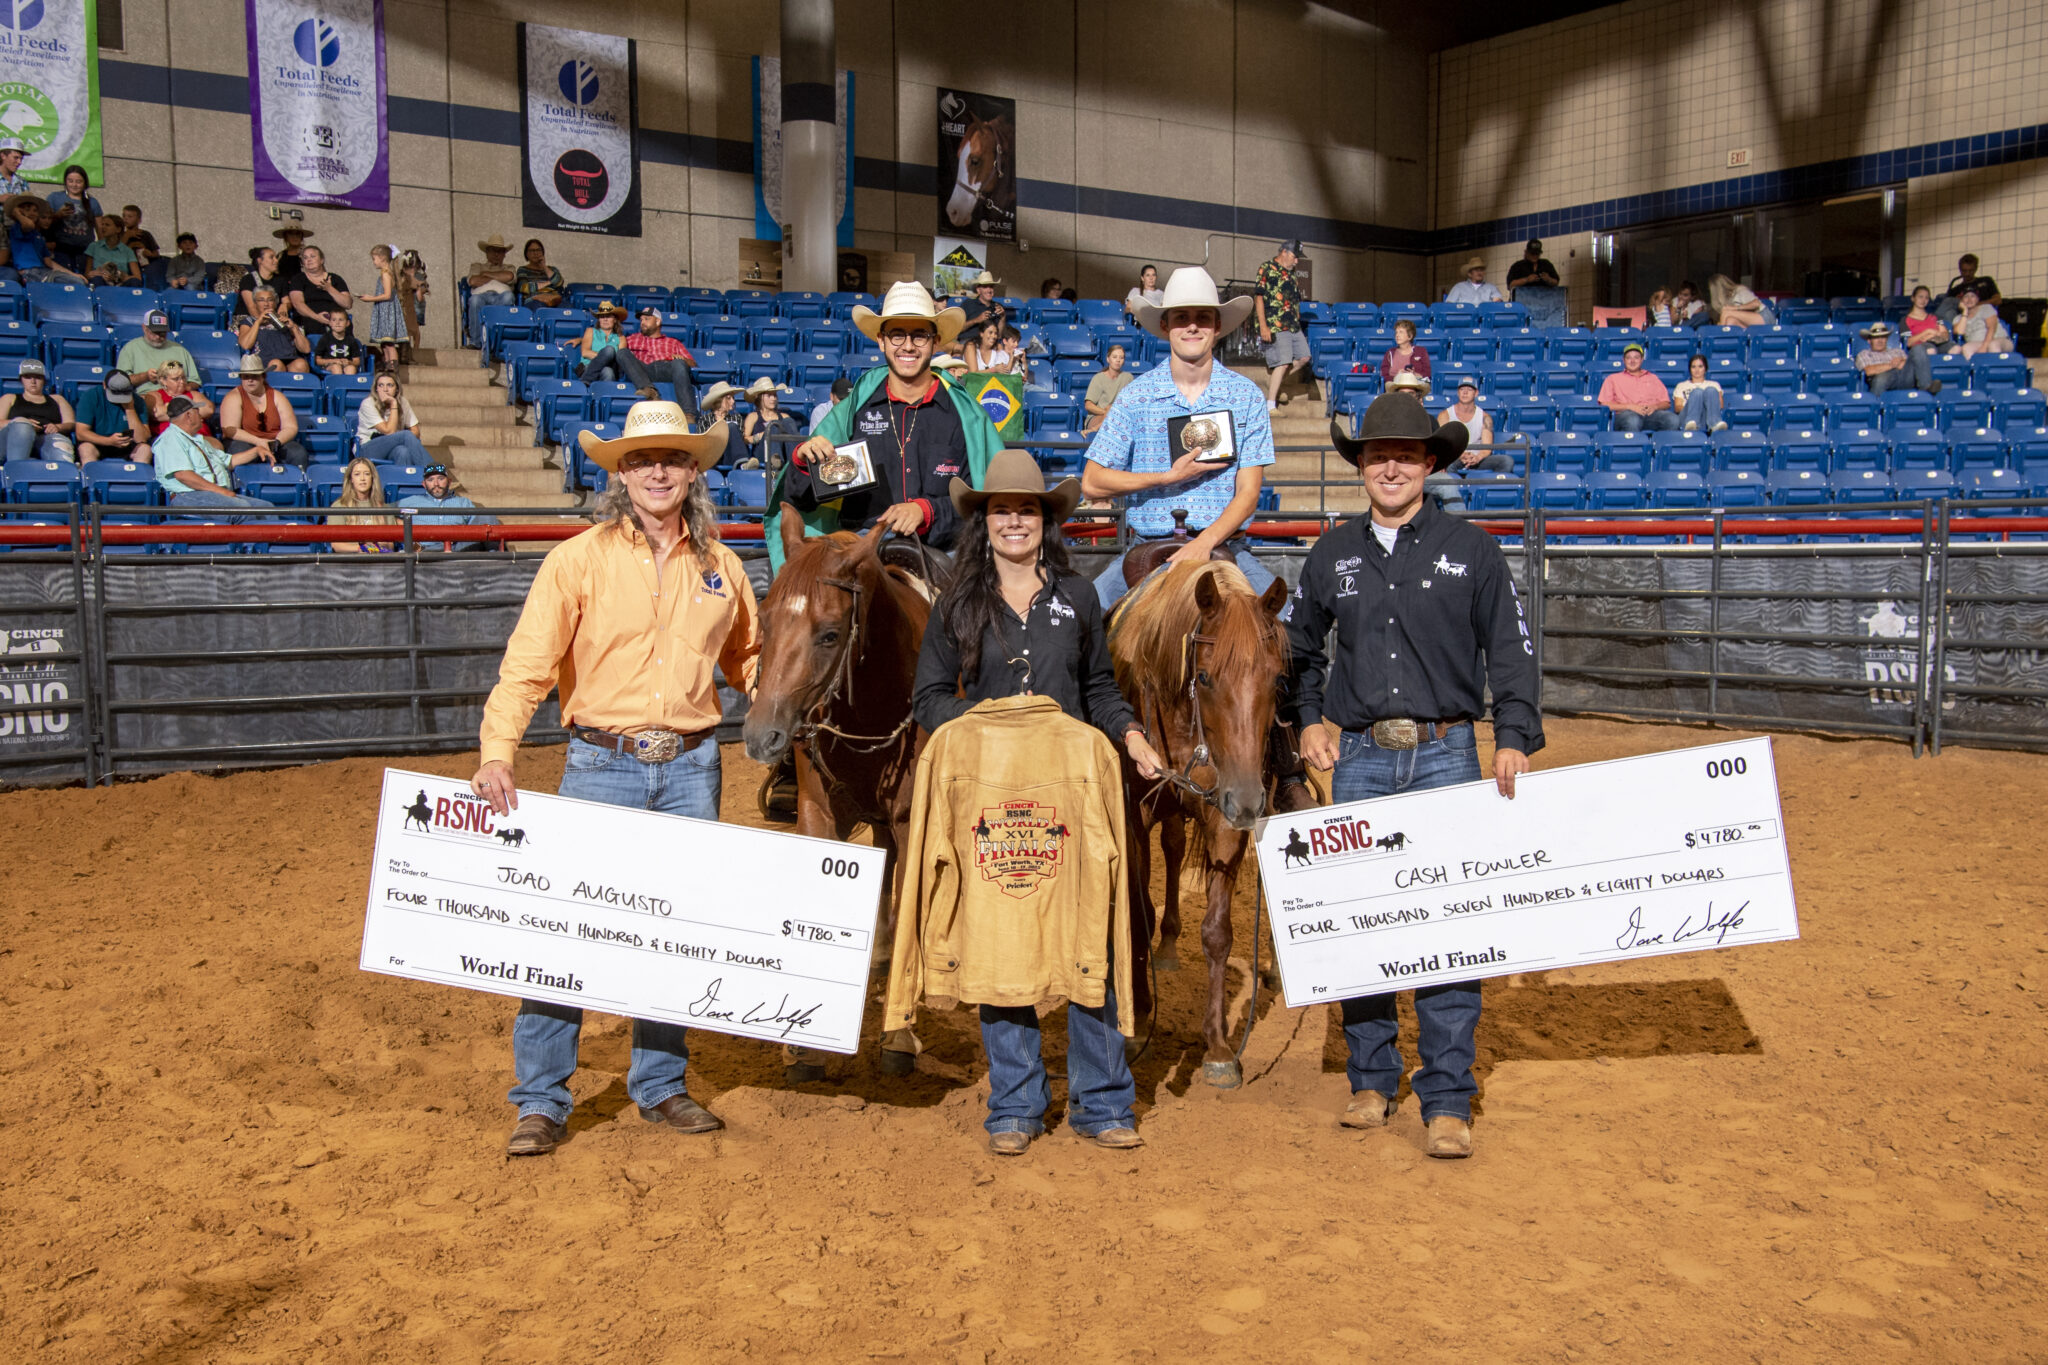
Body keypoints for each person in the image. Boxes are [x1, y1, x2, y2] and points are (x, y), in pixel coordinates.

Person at [472, 401, 760, 1157]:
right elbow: (528, 666)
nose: (657, 471)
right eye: (641, 459)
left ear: (694, 469)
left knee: (672, 935)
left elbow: (750, 660)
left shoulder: (722, 568)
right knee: (563, 932)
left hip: (693, 765)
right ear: (620, 474)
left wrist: (787, 698)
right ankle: (540, 1096)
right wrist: (498, 747)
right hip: (600, 763)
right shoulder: (577, 559)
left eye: (671, 457)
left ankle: (660, 1081)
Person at [1286, 394, 1543, 1159]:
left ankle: (1447, 1096)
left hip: (1446, 755)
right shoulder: (1331, 555)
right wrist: (1306, 721)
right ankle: (1371, 1077)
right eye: (1375, 454)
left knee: (1450, 931)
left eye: (1405, 453)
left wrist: (1514, 734)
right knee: (1363, 922)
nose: (1390, 465)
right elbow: (1298, 650)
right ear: (1360, 465)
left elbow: (1512, 648)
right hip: (1361, 756)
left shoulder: (1475, 549)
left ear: (1430, 462)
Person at [907, 450, 1163, 1154]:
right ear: (983, 521)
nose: (1014, 519)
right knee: (1005, 937)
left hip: (1067, 799)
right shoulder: (958, 602)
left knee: (1089, 934)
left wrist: (1131, 733)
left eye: (1027, 508)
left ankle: (1101, 1099)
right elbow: (928, 697)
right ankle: (1016, 1103)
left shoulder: (1079, 599)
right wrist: (988, 732)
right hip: (993, 799)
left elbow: (1101, 689)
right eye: (1001, 509)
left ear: (1046, 520)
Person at [1082, 265, 1277, 609]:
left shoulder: (1247, 397)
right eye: (1181, 317)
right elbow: (1093, 483)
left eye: (1203, 317)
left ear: (1217, 326)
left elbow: (1248, 494)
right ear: (1164, 325)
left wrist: (1205, 544)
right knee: (1081, 621)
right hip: (1147, 548)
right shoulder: (1135, 396)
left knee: (1287, 627)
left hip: (1225, 548)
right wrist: (1166, 477)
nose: (1191, 325)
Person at [777, 279, 1003, 564]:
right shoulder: (852, 414)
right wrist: (803, 463)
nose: (908, 346)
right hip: (862, 562)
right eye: (897, 335)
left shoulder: (966, 417)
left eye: (919, 335)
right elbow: (803, 502)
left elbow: (985, 503)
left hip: (942, 561)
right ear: (881, 340)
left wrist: (927, 510)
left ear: (935, 343)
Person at [152, 396, 274, 517]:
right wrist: (220, 491)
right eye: (197, 412)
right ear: (188, 415)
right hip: (188, 495)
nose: (201, 417)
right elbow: (184, 476)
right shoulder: (170, 439)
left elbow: (228, 461)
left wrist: (256, 451)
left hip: (213, 494)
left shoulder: (199, 440)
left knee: (267, 509)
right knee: (241, 509)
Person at [219, 355, 314, 468]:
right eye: (246, 377)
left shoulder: (277, 396)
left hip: (274, 441)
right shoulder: (233, 397)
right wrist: (258, 441)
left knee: (298, 453)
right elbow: (230, 430)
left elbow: (291, 427)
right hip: (246, 441)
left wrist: (277, 442)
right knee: (239, 450)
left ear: (263, 377)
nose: (250, 380)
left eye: (254, 376)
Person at [1254, 239, 1309, 414]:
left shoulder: (1292, 275)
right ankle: (1270, 405)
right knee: (1283, 362)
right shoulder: (1267, 268)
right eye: (1294, 256)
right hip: (1275, 323)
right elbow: (1259, 297)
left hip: (1292, 324)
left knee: (1304, 358)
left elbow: (1294, 301)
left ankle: (1275, 385)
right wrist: (1263, 325)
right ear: (1283, 252)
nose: (1297, 261)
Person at [399, 462, 498, 551]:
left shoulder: (463, 503)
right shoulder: (410, 501)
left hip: (458, 547)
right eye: (430, 480)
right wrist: (399, 523)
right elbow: (385, 513)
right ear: (424, 484)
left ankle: (498, 558)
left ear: (449, 482)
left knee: (487, 515)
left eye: (441, 479)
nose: (436, 484)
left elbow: (478, 524)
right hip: (427, 549)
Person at [622, 306, 699, 410]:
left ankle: (689, 413)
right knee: (622, 352)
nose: (642, 323)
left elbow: (693, 364)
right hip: (643, 371)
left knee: (679, 363)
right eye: (641, 320)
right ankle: (649, 390)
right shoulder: (632, 339)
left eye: (647, 319)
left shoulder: (673, 342)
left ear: (658, 321)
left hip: (666, 369)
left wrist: (683, 359)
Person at [0, 360, 76, 462]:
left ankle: (62, 475)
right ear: (21, 380)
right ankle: (17, 469)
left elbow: (71, 423)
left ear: (44, 380)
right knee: (22, 425)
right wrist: (23, 423)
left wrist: (58, 427)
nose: (33, 381)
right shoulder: (9, 398)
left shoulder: (57, 399)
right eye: (28, 377)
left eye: (38, 377)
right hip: (13, 439)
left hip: (45, 437)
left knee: (61, 446)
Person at [72, 371, 153, 465]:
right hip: (99, 443)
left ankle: (139, 479)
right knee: (86, 448)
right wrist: (109, 441)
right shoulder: (91, 396)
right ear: (104, 385)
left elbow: (142, 438)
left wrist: (130, 409)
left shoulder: (137, 400)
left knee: (145, 449)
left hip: (127, 446)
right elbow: (81, 433)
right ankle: (92, 477)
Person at [118, 311, 201, 398]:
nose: (158, 337)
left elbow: (195, 381)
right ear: (144, 328)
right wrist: (145, 376)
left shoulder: (180, 350)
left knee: (207, 407)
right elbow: (120, 381)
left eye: (162, 333)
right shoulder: (130, 348)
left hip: (178, 396)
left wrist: (185, 386)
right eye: (154, 332)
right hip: (148, 395)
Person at [1599, 342, 1678, 431]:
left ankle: (1661, 444)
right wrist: (1629, 406)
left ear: (1642, 359)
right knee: (1632, 420)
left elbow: (1666, 403)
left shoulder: (1652, 378)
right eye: (1628, 358)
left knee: (1672, 419)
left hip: (1650, 415)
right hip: (1625, 415)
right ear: (1623, 360)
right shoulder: (1612, 379)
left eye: (1636, 357)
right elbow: (1605, 404)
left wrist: (1654, 407)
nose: (1632, 361)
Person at [354, 371, 428, 465]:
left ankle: (402, 479)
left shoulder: (403, 402)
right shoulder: (368, 403)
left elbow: (416, 431)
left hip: (393, 447)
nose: (385, 389)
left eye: (389, 385)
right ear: (376, 389)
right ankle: (432, 472)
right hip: (368, 447)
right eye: (380, 385)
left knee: (403, 452)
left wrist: (398, 439)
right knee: (405, 435)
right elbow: (389, 431)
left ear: (396, 389)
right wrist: (393, 404)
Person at [4, 193, 82, 283]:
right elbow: (28, 225)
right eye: (27, 210)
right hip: (28, 272)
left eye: (35, 210)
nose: (32, 213)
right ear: (19, 212)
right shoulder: (17, 227)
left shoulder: (38, 236)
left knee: (78, 281)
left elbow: (49, 262)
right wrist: (16, 213)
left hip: (43, 271)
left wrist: (73, 274)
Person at [1437, 378, 1511, 472]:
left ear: (1476, 393)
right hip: (1455, 456)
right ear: (1458, 392)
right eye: (1462, 389)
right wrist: (1461, 455)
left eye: (1469, 389)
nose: (1465, 392)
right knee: (1450, 464)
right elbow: (1443, 445)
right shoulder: (1445, 415)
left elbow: (1487, 447)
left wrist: (1478, 458)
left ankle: (1495, 485)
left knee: (1506, 461)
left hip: (1477, 458)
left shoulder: (1485, 418)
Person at [328, 456, 397, 554]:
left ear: (372, 478)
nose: (362, 479)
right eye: (357, 474)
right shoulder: (339, 506)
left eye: (367, 474)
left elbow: (391, 545)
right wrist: (363, 548)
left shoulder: (383, 507)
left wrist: (382, 545)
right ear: (351, 479)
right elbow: (337, 545)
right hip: (350, 562)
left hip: (379, 560)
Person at [237, 287, 312, 374]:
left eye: (270, 300)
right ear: (255, 303)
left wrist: (294, 328)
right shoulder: (250, 321)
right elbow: (245, 345)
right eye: (261, 300)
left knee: (301, 364)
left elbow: (306, 349)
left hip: (289, 359)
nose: (266, 304)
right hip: (265, 360)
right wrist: (258, 322)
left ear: (275, 303)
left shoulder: (285, 321)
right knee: (276, 364)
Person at [43, 165, 100, 271]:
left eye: (78, 181)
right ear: (65, 181)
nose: (74, 185)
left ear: (85, 183)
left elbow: (100, 230)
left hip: (84, 251)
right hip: (60, 249)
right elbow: (43, 223)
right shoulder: (54, 198)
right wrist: (57, 216)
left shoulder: (93, 202)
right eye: (70, 181)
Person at [286, 246, 351, 339]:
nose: (309, 260)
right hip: (309, 319)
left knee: (342, 324)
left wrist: (330, 289)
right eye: (305, 257)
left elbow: (347, 304)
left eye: (312, 256)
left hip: (335, 320)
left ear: (321, 260)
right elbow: (298, 304)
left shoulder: (335, 278)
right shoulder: (298, 279)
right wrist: (317, 317)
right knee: (313, 325)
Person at [465, 234, 518, 347]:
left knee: (508, 297)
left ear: (504, 254)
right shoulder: (477, 266)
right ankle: (476, 342)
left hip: (501, 296)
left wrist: (485, 274)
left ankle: (496, 341)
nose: (496, 254)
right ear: (487, 252)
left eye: (500, 251)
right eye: (494, 251)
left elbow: (509, 276)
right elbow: (474, 281)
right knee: (474, 301)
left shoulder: (509, 267)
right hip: (480, 296)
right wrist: (498, 277)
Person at [362, 244, 404, 370]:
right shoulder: (385, 273)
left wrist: (370, 298)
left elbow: (387, 295)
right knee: (384, 343)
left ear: (382, 258)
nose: (374, 262)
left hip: (387, 311)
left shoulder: (386, 274)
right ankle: (387, 365)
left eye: (374, 259)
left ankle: (393, 368)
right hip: (384, 310)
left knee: (389, 343)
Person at [740, 377, 799, 465]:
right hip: (762, 451)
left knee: (788, 421)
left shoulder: (784, 416)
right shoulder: (753, 416)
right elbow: (745, 439)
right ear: (760, 398)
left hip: (783, 451)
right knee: (773, 426)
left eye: (774, 395)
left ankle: (795, 460)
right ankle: (775, 461)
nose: (773, 399)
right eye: (769, 395)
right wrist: (762, 435)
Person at [1899, 285, 1947, 391]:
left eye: (1926, 298)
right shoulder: (1905, 320)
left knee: (1956, 348)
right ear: (1913, 298)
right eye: (1920, 297)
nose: (1923, 300)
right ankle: (1926, 386)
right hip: (1917, 350)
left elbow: (1945, 335)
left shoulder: (1935, 317)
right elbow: (1909, 343)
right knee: (1926, 349)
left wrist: (1932, 336)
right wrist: (1927, 332)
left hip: (1936, 343)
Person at [143, 361, 213, 432]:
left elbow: (208, 410)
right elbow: (158, 414)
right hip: (170, 438)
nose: (182, 382)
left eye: (183, 378)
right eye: (176, 379)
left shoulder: (193, 394)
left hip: (200, 437)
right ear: (163, 380)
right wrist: (192, 409)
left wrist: (170, 410)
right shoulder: (154, 395)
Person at [574, 303, 634, 385]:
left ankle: (585, 382)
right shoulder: (590, 331)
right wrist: (607, 356)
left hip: (611, 367)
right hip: (588, 366)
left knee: (609, 363)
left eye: (608, 316)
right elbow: (585, 352)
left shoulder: (621, 337)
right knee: (608, 367)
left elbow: (620, 359)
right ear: (599, 319)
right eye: (602, 317)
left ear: (615, 319)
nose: (605, 319)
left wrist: (606, 356)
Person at [1083, 342, 1135, 432]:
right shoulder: (1098, 378)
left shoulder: (1128, 377)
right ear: (1108, 359)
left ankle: (1096, 429)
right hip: (1097, 416)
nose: (1118, 360)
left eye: (1121, 358)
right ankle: (1095, 428)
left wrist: (1113, 412)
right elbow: (1088, 406)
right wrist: (1108, 412)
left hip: (1120, 417)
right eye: (1114, 357)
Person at [696, 382, 749, 468]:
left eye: (733, 398)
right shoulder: (705, 420)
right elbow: (702, 442)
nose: (733, 401)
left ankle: (742, 464)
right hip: (713, 456)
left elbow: (739, 439)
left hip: (730, 455)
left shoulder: (736, 418)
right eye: (728, 398)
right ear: (718, 400)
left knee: (732, 426)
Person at [1670, 354, 1728, 430]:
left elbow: (1720, 405)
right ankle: (1691, 424)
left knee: (1711, 390)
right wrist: (1694, 406)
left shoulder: (1714, 384)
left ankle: (1714, 425)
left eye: (1700, 366)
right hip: (1686, 416)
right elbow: (1677, 408)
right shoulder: (1681, 385)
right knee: (1697, 392)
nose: (1697, 370)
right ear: (1690, 369)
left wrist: (1702, 407)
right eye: (1693, 367)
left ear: (1705, 369)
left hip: (1706, 416)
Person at [1938, 254, 1999, 327]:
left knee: (1948, 300)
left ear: (1976, 269)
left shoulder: (1986, 281)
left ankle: (1932, 321)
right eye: (1964, 271)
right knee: (1948, 307)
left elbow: (1998, 300)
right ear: (1960, 270)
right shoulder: (1956, 289)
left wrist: (1976, 304)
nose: (1967, 274)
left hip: (1982, 312)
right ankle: (1939, 326)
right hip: (1963, 316)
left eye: (1971, 271)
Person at [1854, 324, 1914, 395]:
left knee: (1916, 355)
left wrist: (1901, 360)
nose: (1880, 341)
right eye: (1876, 337)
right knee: (1882, 378)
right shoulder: (1864, 354)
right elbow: (1869, 371)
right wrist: (1893, 365)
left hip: (1903, 379)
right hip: (1880, 380)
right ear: (1869, 341)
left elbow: (1908, 366)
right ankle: (1876, 402)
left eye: (1883, 337)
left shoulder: (1898, 351)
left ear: (1887, 339)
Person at [1955, 289, 2014, 358]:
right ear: (1961, 301)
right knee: (1966, 348)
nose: (1969, 299)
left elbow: (1991, 328)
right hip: (1977, 343)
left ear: (1977, 299)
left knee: (1993, 345)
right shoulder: (1958, 318)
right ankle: (1975, 368)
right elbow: (1959, 332)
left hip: (1999, 339)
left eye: (1973, 296)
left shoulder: (1986, 308)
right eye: (1966, 297)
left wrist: (1984, 346)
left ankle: (1994, 368)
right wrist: (1965, 312)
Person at [84, 214, 141, 284]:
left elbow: (138, 277)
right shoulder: (94, 246)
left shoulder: (127, 251)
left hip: (120, 283)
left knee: (134, 282)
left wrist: (120, 277)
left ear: (118, 229)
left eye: (107, 225)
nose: (103, 227)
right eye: (102, 224)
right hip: (100, 281)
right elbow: (87, 273)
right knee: (97, 279)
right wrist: (92, 274)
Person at [239, 246, 290, 322]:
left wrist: (285, 305)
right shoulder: (248, 280)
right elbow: (251, 307)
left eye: (276, 257)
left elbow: (286, 301)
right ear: (260, 261)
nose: (276, 260)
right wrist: (263, 323)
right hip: (249, 319)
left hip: (273, 319)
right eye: (271, 257)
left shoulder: (281, 280)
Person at [955, 269, 1004, 346]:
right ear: (978, 290)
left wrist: (1003, 317)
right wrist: (976, 320)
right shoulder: (968, 304)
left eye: (991, 287)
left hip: (989, 343)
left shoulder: (998, 307)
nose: (989, 290)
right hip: (969, 342)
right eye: (985, 287)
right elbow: (957, 329)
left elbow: (999, 336)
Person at [1377, 318, 1431, 387]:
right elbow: (1384, 375)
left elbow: (1427, 375)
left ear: (1410, 336)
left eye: (1401, 332)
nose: (1397, 335)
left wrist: (1414, 374)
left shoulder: (1421, 351)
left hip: (1415, 383)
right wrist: (1397, 377)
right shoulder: (1390, 353)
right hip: (1395, 384)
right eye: (1396, 332)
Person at [514, 238, 564, 308]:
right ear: (526, 254)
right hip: (534, 299)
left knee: (567, 308)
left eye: (538, 250)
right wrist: (549, 283)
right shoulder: (522, 270)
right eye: (532, 251)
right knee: (540, 307)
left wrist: (544, 266)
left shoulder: (552, 269)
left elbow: (559, 282)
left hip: (554, 298)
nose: (535, 253)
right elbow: (524, 287)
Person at [311, 310, 365, 375]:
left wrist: (349, 362)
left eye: (341, 320)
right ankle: (338, 384)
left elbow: (357, 361)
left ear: (347, 323)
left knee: (351, 368)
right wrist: (333, 361)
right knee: (336, 367)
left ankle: (348, 385)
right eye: (334, 320)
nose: (337, 323)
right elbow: (317, 360)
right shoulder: (325, 339)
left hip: (346, 365)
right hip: (329, 365)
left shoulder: (351, 340)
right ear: (330, 323)